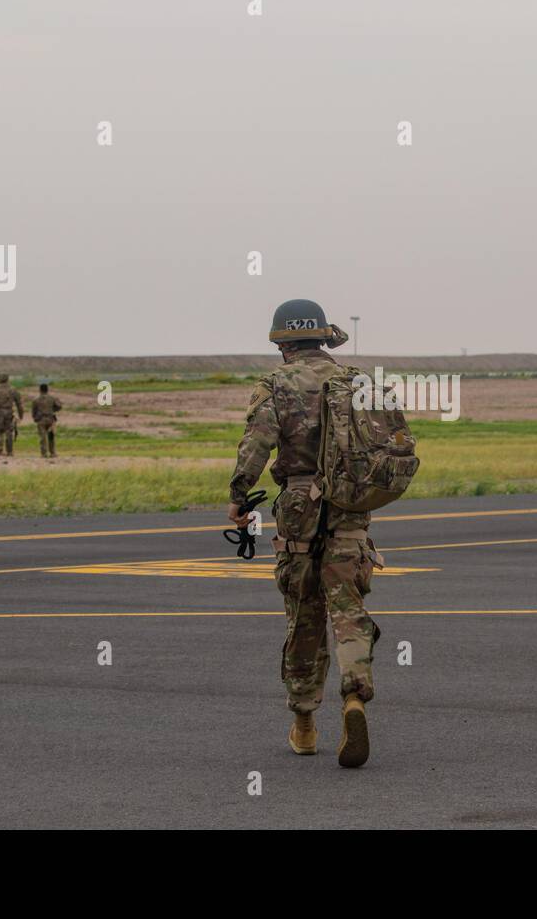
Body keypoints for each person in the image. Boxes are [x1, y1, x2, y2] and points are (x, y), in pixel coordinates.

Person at [228, 299, 380, 768]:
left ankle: (305, 724)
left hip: (298, 506)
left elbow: (258, 443)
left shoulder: (276, 384)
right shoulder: (358, 381)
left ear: (282, 343)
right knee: (348, 605)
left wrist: (238, 495)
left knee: (304, 612)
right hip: (351, 504)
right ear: (323, 337)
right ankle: (354, 696)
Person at [0, 374, 23, 456]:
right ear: (7, 379)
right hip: (8, 413)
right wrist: (21, 415)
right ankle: (9, 451)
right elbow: (19, 404)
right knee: (9, 432)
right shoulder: (13, 390)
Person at [31, 383, 63, 458]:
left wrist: (35, 418)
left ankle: (44, 453)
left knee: (42, 437)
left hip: (41, 419)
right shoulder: (52, 398)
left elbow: (33, 411)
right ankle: (52, 453)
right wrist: (53, 410)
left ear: (40, 390)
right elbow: (59, 406)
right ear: (47, 390)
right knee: (51, 436)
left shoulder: (36, 400)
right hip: (50, 419)